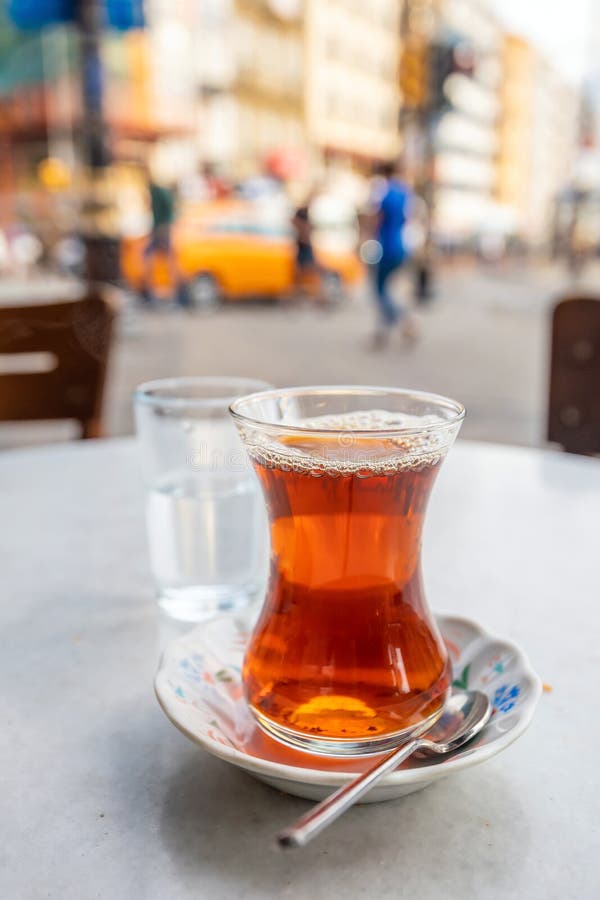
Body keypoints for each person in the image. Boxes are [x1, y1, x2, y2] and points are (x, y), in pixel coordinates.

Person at [370, 160, 417, 347]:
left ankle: (403, 321)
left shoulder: (384, 192)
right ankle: (383, 331)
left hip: (385, 248)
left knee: (380, 290)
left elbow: (377, 218)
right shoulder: (405, 193)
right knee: (388, 291)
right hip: (402, 247)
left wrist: (366, 238)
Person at [140, 164, 188, 307]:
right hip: (158, 229)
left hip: (162, 229)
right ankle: (150, 292)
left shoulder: (158, 190)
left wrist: (164, 225)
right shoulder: (152, 190)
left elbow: (169, 207)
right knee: (152, 257)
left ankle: (181, 292)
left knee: (169, 260)